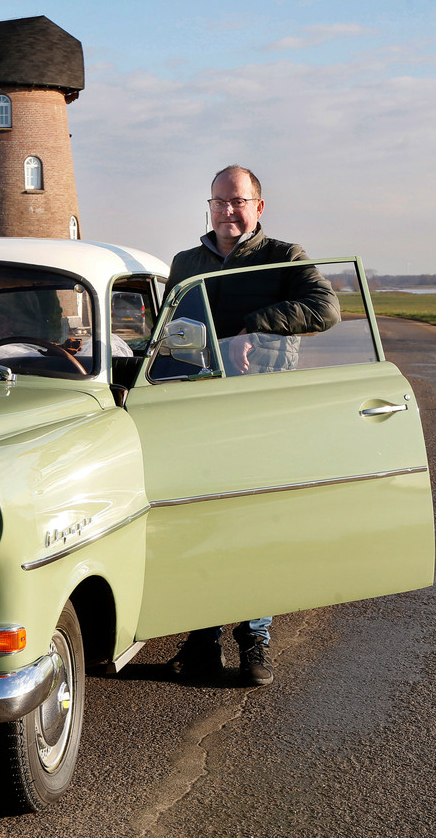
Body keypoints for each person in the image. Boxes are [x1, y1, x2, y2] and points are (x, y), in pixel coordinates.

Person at [164, 165, 340, 686]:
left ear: (259, 207)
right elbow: (170, 328)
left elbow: (325, 309)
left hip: (262, 408)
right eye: (219, 202)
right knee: (200, 522)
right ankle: (201, 637)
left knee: (256, 526)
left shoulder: (284, 257)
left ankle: (254, 638)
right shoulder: (187, 262)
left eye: (238, 202)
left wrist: (251, 330)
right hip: (197, 409)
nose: (228, 211)